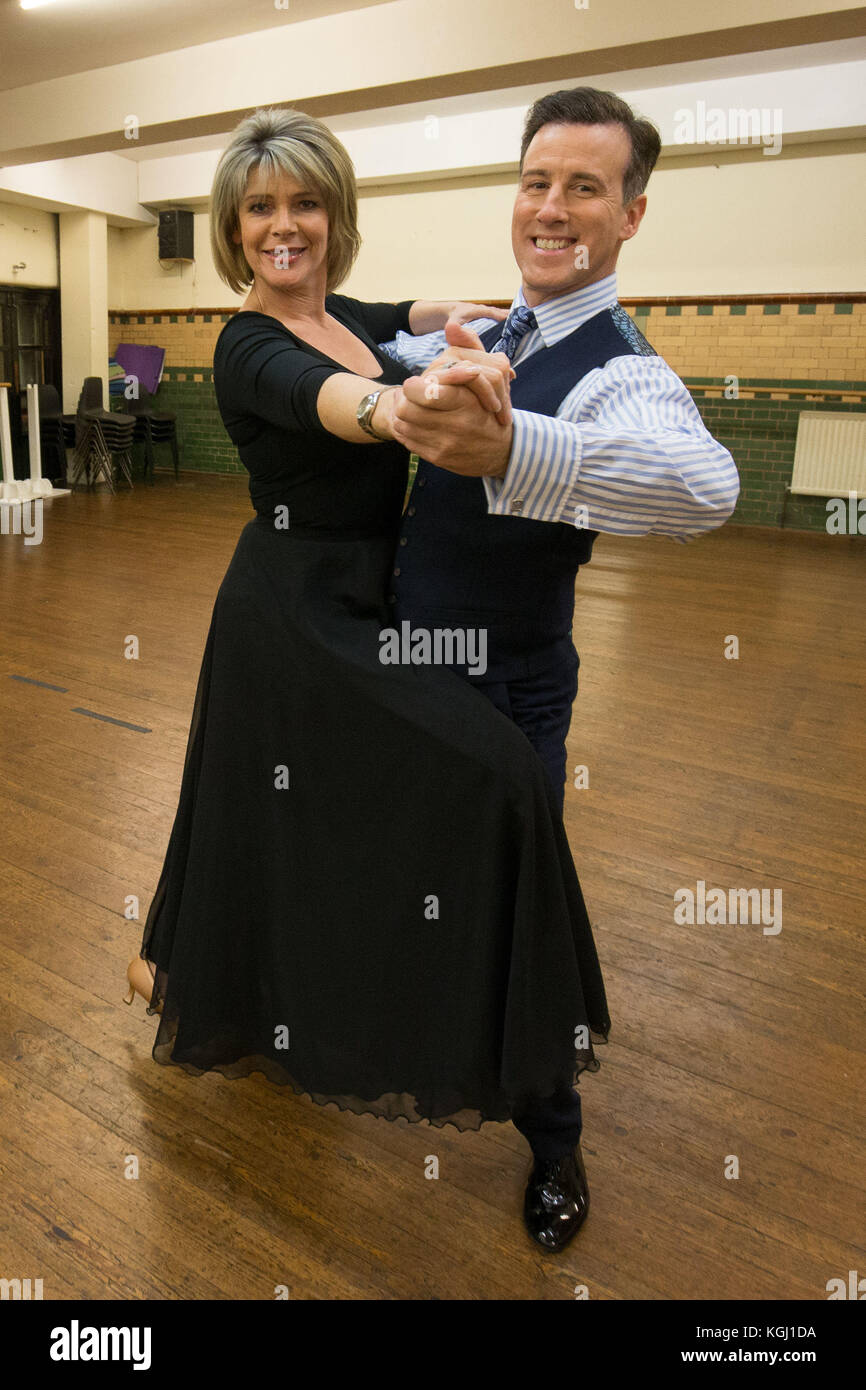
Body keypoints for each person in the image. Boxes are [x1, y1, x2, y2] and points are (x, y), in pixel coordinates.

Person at [124, 106, 610, 1253]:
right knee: (492, 778)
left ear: (334, 215)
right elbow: (343, 400)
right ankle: (502, 1085)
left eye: (303, 203)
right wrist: (406, 406)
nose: (282, 227)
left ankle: (331, 1007)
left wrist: (470, 314)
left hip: (370, 609)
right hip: (294, 623)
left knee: (324, 828)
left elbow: (393, 318)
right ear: (232, 232)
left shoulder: (339, 309)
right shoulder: (248, 344)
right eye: (259, 210)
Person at [374, 85, 740, 1237]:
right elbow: (344, 328)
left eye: (584, 186)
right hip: (405, 667)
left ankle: (555, 1149)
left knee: (516, 918)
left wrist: (513, 441)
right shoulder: (491, 328)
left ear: (630, 215)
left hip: (504, 686)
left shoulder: (618, 361)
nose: (552, 205)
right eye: (537, 181)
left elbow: (702, 485)